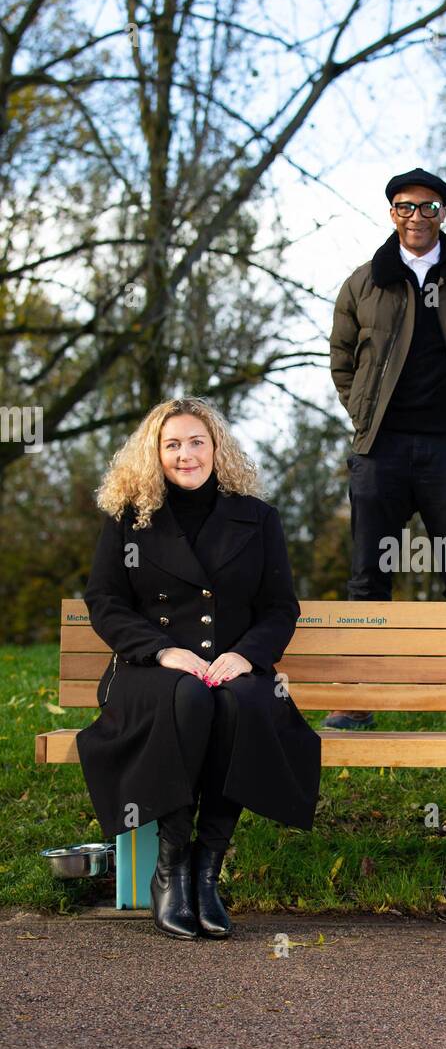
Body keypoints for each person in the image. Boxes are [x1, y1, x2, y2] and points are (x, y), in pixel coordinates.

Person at [76, 397, 322, 941]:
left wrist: (248, 655)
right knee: (187, 698)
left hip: (233, 665)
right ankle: (172, 867)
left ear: (216, 448)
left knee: (241, 703)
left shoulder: (257, 519)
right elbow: (106, 602)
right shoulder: (130, 519)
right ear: (154, 454)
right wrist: (163, 651)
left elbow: (280, 606)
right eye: (172, 445)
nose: (185, 455)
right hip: (148, 668)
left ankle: (208, 871)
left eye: (196, 442)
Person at [327, 166, 446, 733]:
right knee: (367, 579)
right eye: (406, 206)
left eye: (429, 207)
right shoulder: (364, 283)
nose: (417, 216)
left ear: (443, 214)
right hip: (379, 451)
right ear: (391, 213)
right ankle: (358, 699)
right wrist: (363, 417)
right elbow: (341, 360)